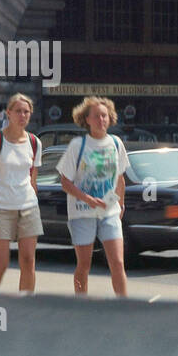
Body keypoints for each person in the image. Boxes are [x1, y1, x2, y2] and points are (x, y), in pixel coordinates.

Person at [56, 97, 132, 297]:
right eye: (96, 116)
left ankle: (123, 305)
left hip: (109, 212)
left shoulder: (116, 143)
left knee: (117, 263)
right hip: (82, 213)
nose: (101, 120)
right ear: (86, 119)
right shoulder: (77, 145)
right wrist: (88, 199)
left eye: (104, 116)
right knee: (84, 265)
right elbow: (65, 182)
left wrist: (121, 203)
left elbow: (120, 178)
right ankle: (82, 304)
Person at [0, 93, 44, 294]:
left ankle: (24, 309)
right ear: (9, 113)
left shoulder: (34, 142)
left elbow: (33, 180)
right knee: (0, 266)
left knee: (28, 262)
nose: (22, 115)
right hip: (0, 209)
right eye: (18, 111)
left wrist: (33, 199)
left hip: (28, 207)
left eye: (26, 112)